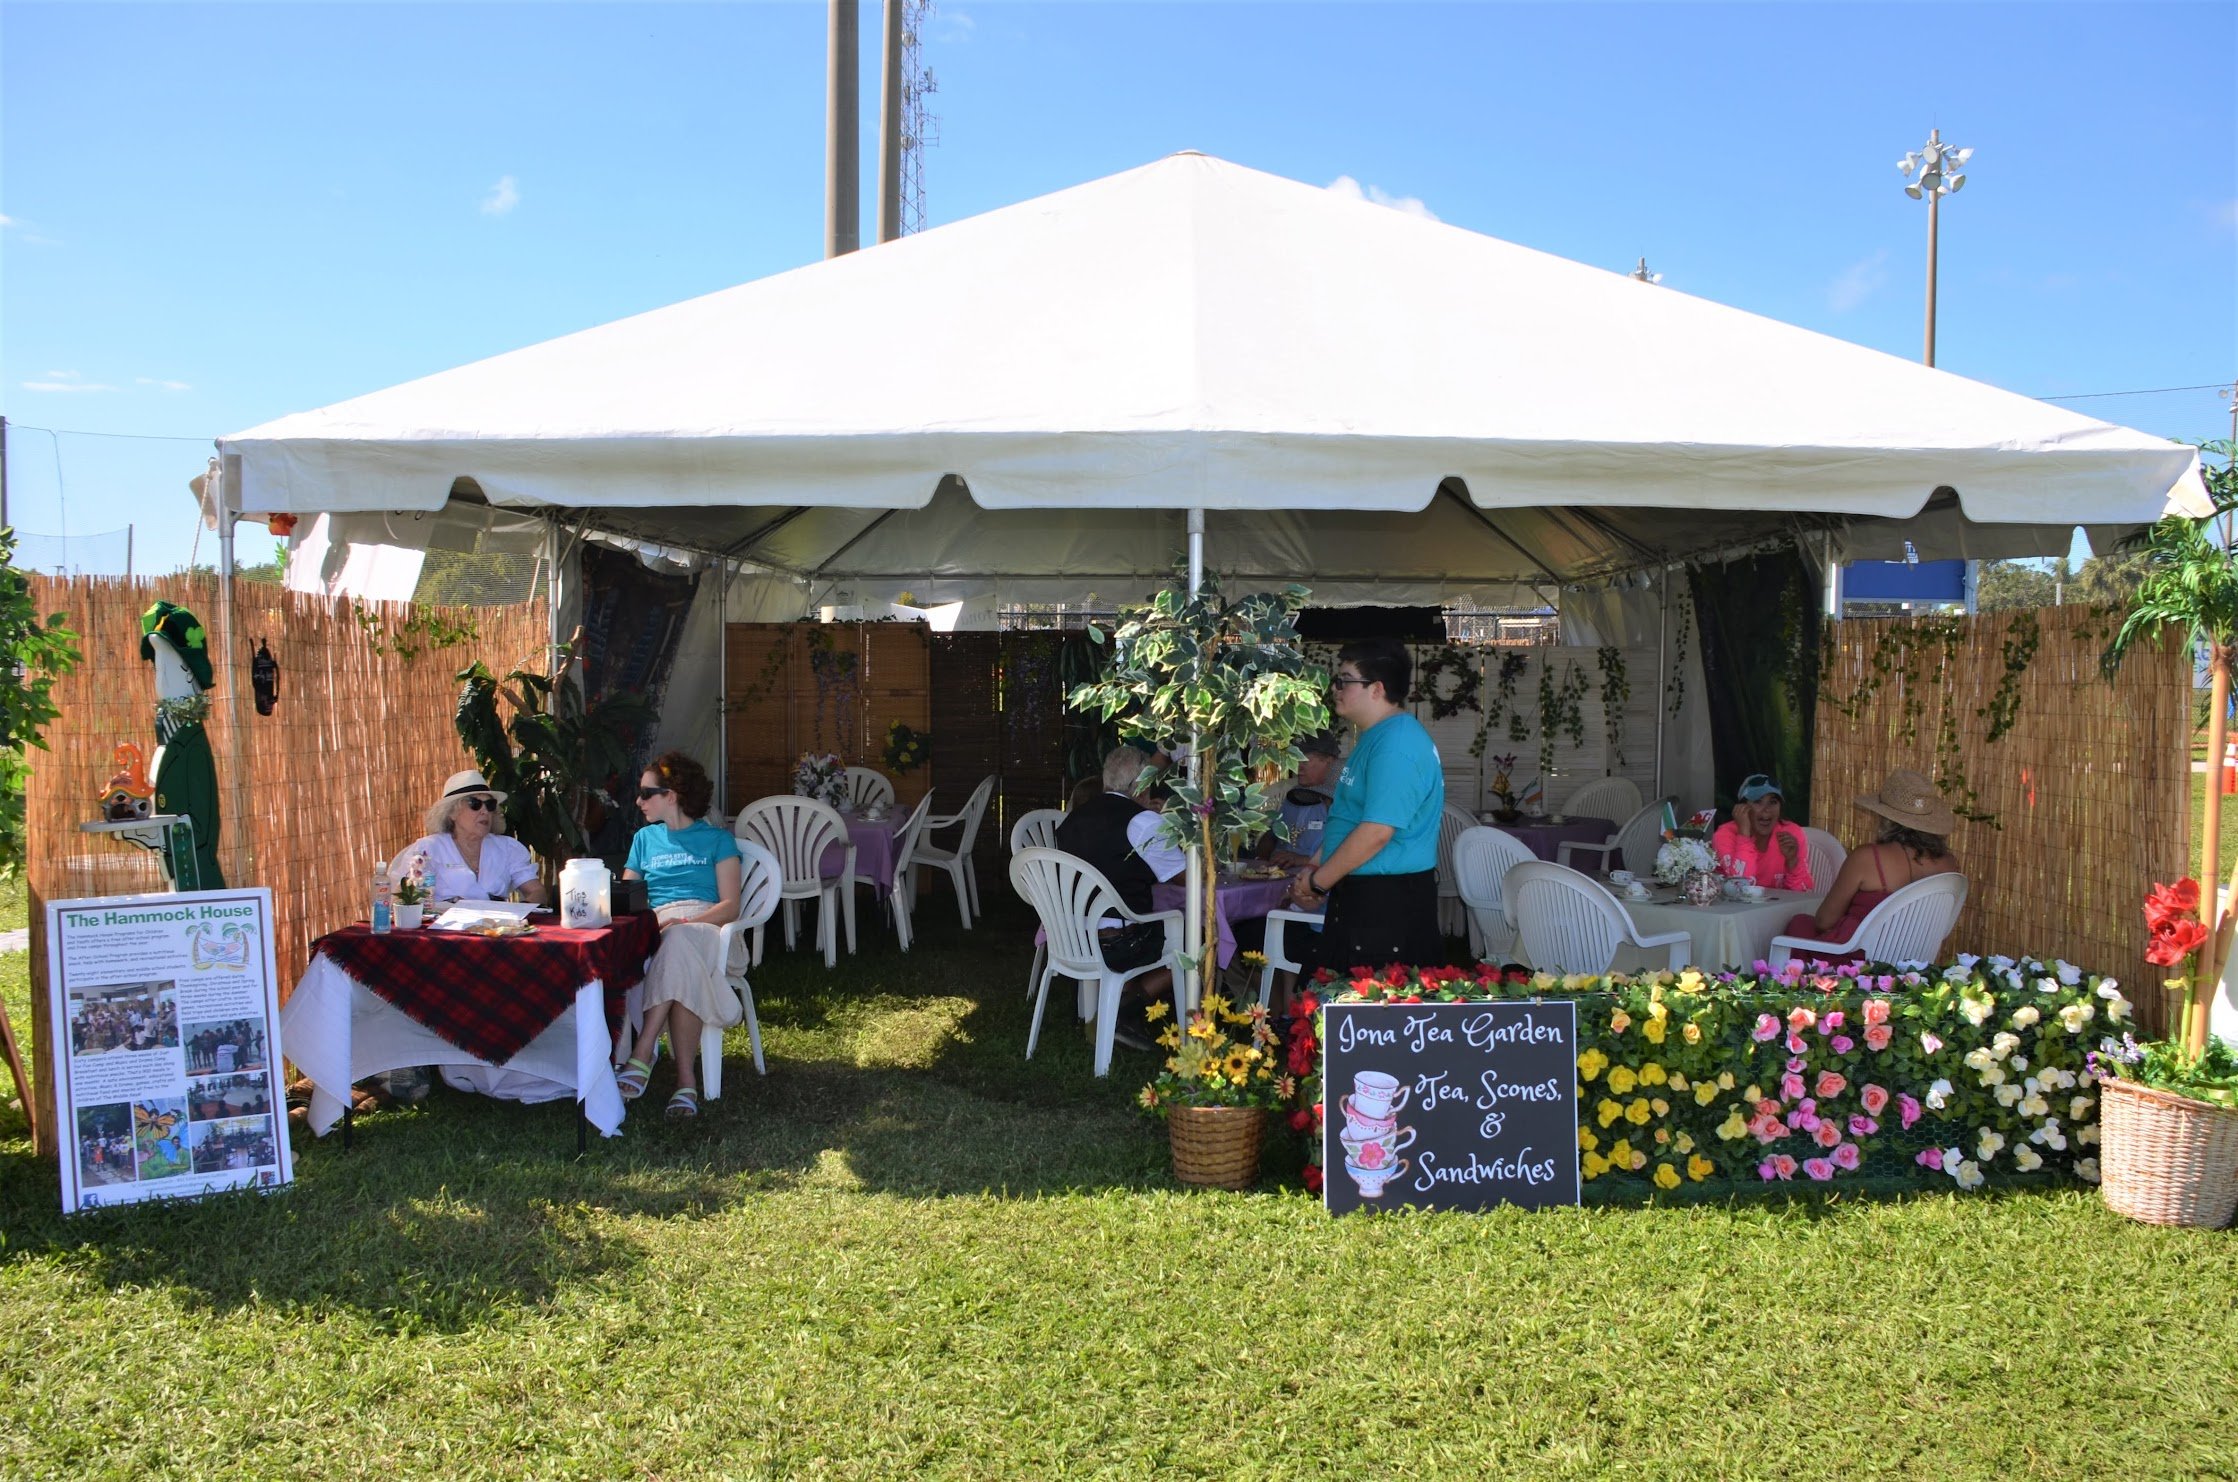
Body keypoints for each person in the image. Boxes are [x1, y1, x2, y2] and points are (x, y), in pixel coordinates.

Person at [1285, 639, 1446, 970]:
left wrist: (1318, 882)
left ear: (1377, 689)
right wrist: (1314, 869)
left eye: (1345, 680)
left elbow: (1376, 832)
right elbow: (1348, 818)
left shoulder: (1396, 744)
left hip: (1388, 903)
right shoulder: (1375, 737)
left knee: (1373, 1012)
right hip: (1362, 893)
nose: (1336, 688)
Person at [615, 751, 744, 1120]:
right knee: (678, 954)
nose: (639, 801)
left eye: (646, 793)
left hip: (710, 928)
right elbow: (629, 900)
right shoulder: (644, 839)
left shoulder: (718, 840)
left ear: (671, 795)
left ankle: (643, 1052)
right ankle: (686, 1083)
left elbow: (730, 906)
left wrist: (686, 924)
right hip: (658, 927)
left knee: (679, 945)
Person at [1053, 746, 1188, 1048]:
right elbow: (1186, 879)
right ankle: (1126, 1007)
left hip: (1072, 936)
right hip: (1121, 942)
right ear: (1142, 782)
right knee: (1198, 936)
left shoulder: (1072, 820)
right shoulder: (1141, 822)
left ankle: (1119, 1007)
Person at [1785, 767, 1962, 959]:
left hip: (1859, 965)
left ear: (1886, 818)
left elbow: (1824, 921)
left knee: (1800, 924)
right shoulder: (1949, 865)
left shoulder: (1867, 857)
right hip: (1912, 966)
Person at [388, 770, 547, 906]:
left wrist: (519, 912)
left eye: (490, 805)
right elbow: (404, 900)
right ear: (452, 813)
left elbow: (537, 891)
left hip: (496, 932)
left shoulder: (508, 848)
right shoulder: (427, 850)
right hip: (444, 935)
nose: (484, 811)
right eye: (475, 804)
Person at [1711, 774, 1814, 892]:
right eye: (1757, 802)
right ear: (1742, 808)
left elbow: (1804, 893)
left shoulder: (1791, 832)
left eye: (1773, 802)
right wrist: (1744, 836)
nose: (1766, 809)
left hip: (1778, 909)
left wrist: (1792, 862)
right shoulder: (1725, 835)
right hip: (1735, 909)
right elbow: (1740, 888)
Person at [1260, 731, 1341, 869]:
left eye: (1305, 760)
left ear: (1329, 762)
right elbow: (1271, 837)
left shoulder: (1341, 800)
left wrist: (1305, 860)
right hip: (1279, 877)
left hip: (1318, 881)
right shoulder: (1294, 797)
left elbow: (1348, 854)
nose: (1298, 767)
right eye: (1295, 760)